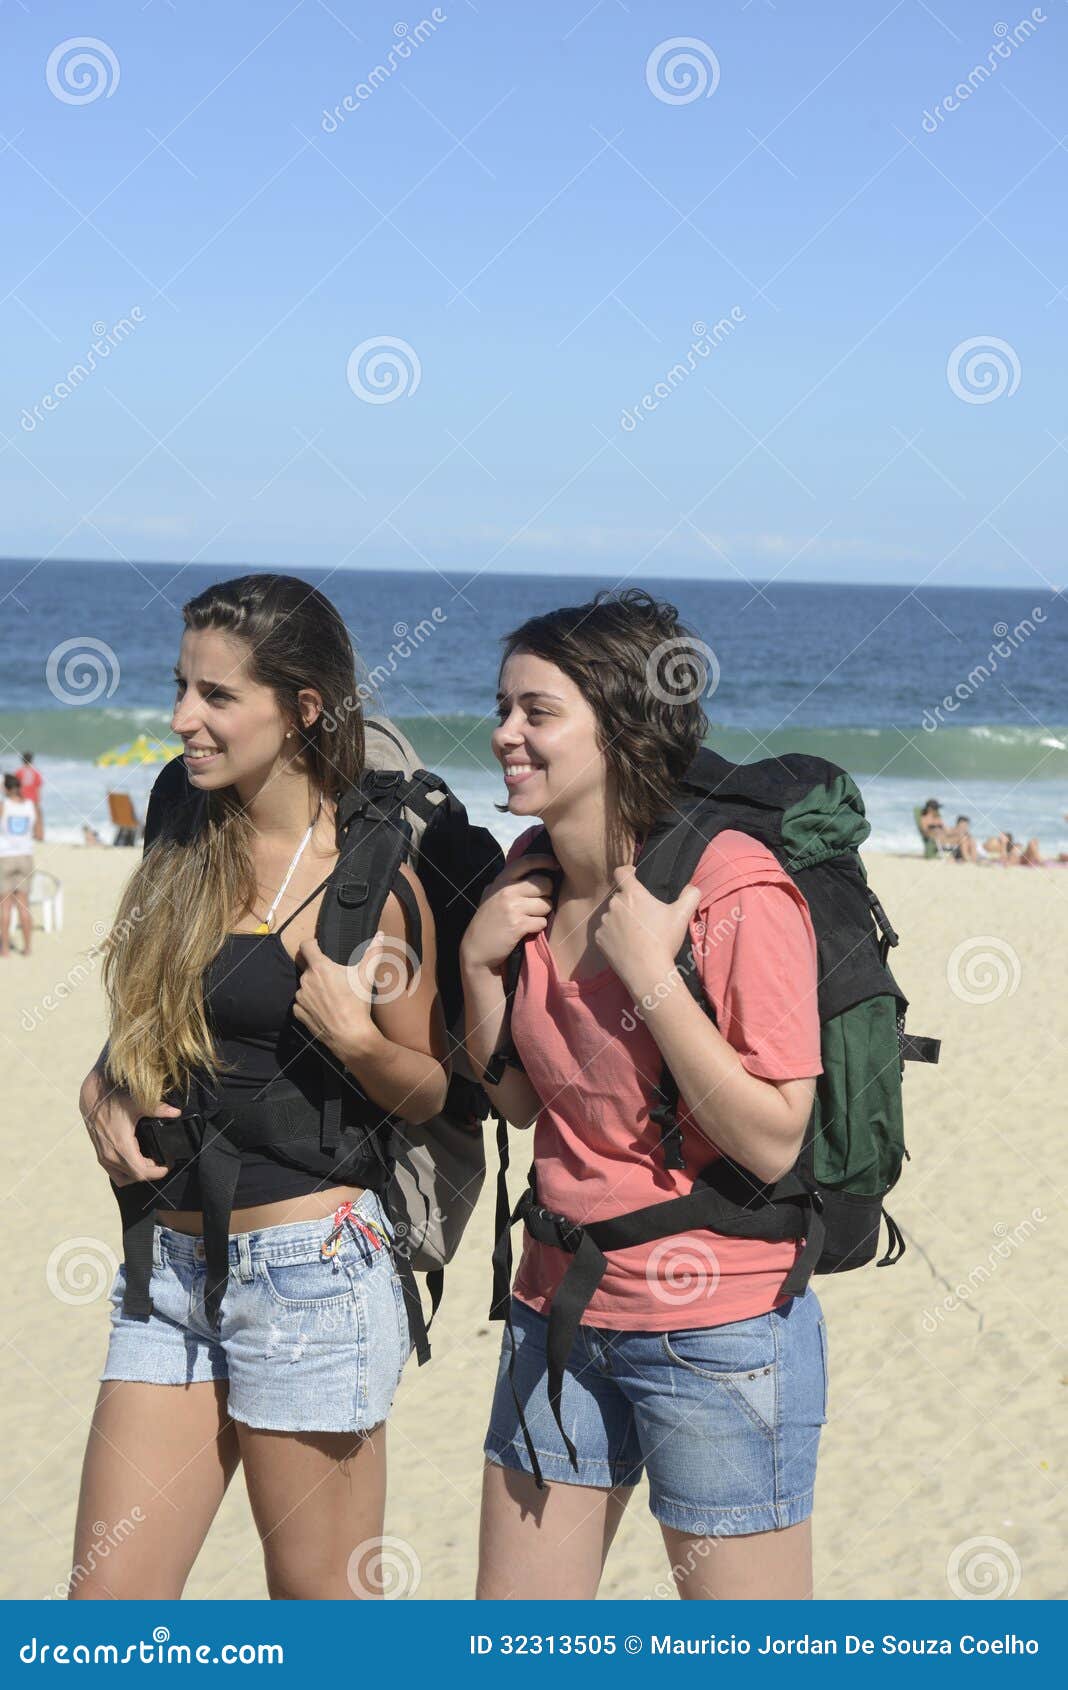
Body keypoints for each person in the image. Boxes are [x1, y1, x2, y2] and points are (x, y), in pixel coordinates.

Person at [73, 574, 449, 1600]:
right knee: (103, 1620)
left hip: (312, 1275)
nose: (183, 716)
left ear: (303, 711)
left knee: (320, 1625)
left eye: (218, 696)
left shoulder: (373, 875)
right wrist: (100, 1087)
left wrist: (356, 1039)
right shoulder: (179, 831)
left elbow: (426, 1089)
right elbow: (158, 1027)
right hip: (165, 1265)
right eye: (181, 686)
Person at [461, 589, 826, 1601]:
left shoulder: (732, 886)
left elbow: (774, 1140)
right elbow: (522, 1107)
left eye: (537, 713)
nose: (504, 735)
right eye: (503, 708)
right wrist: (474, 965)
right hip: (556, 1307)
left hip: (717, 1329)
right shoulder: (526, 872)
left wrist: (654, 979)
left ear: (619, 729)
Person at [0, 772, 37, 957]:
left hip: (6, 856)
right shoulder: (30, 805)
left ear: (5, 788)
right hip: (25, 856)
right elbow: (36, 831)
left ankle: (5, 948)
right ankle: (28, 947)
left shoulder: (3, 805)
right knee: (24, 904)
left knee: (5, 905)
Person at [15, 752, 44, 842]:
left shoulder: (19, 771)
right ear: (32, 760)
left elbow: (16, 786)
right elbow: (38, 787)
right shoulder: (35, 772)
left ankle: (23, 834)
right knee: (37, 817)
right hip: (33, 799)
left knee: (22, 817)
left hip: (22, 798)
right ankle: (39, 836)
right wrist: (38, 800)